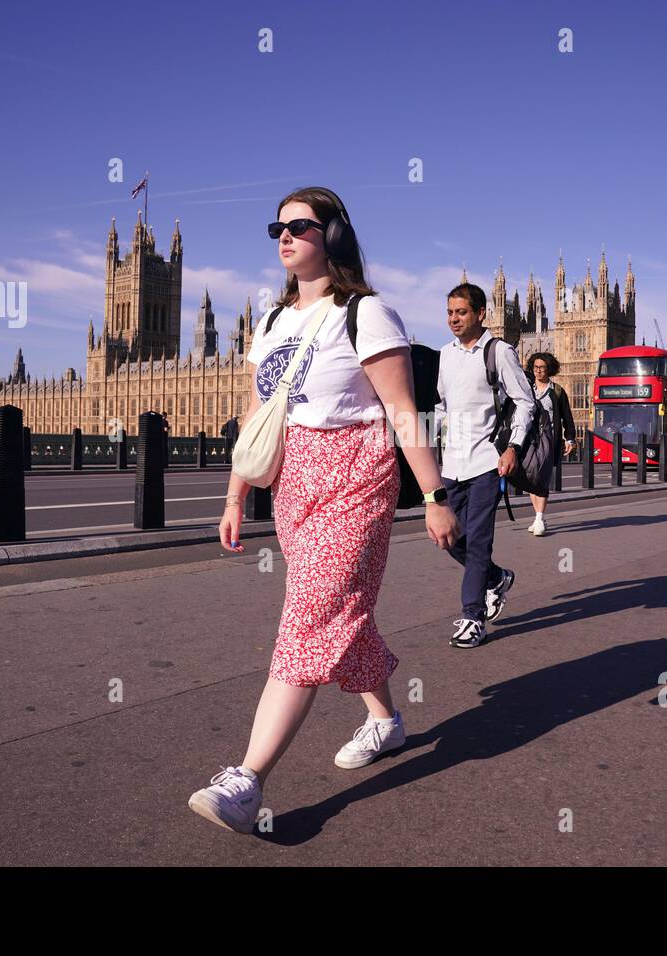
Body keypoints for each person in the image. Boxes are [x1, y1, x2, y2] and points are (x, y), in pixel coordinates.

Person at [188, 186, 460, 835]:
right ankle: (387, 722)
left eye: (300, 226)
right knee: (338, 612)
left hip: (355, 477)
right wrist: (235, 493)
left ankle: (246, 780)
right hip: (294, 480)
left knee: (310, 616)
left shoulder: (368, 314)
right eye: (276, 227)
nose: (284, 237)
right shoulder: (273, 321)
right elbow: (256, 412)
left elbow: (401, 412)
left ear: (332, 236)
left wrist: (434, 495)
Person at [434, 283, 535, 648]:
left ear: (480, 313)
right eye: (449, 312)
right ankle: (496, 577)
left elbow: (525, 402)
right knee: (446, 537)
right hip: (452, 463)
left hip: (486, 462)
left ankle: (472, 616)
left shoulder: (498, 352)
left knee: (477, 540)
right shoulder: (444, 355)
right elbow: (443, 406)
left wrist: (512, 448)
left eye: (461, 312)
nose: (454, 319)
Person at [524, 351, 576, 536]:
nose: (538, 371)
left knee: (543, 478)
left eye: (542, 368)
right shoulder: (526, 389)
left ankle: (539, 518)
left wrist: (570, 438)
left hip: (549, 439)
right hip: (528, 439)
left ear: (549, 369)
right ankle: (538, 517)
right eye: (535, 367)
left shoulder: (558, 391)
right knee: (530, 479)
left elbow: (567, 418)